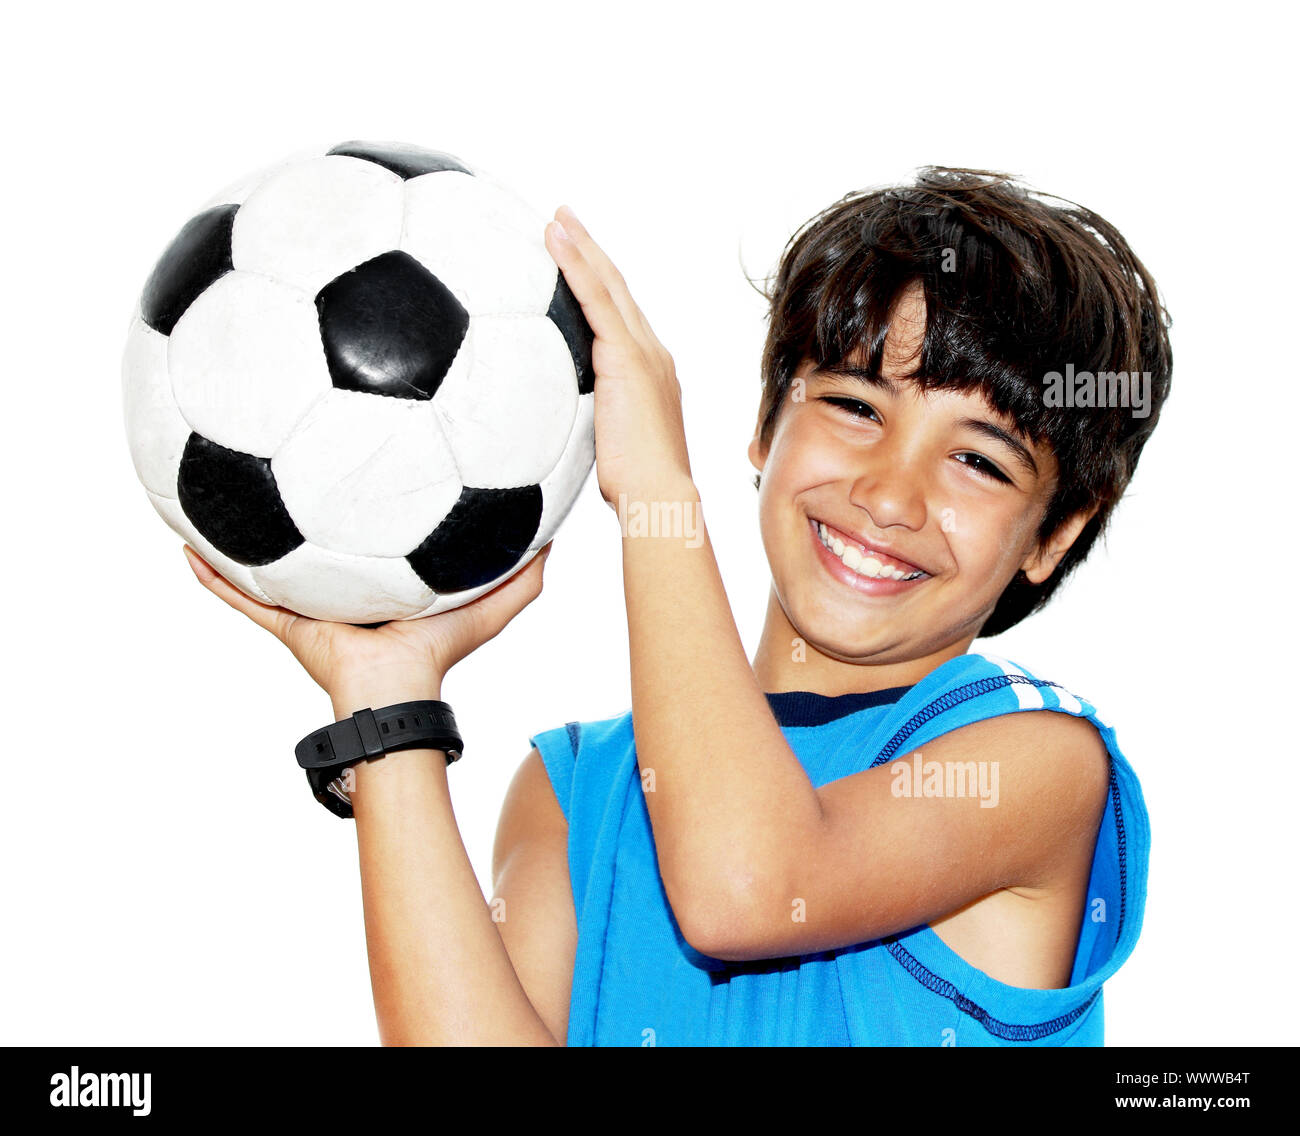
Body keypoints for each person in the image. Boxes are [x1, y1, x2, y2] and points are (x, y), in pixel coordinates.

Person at [184, 166, 1171, 1046]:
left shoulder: (1035, 762)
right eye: (856, 407)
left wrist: (654, 484)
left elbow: (747, 884)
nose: (889, 494)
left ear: (1055, 533)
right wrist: (383, 696)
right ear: (763, 422)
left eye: (977, 459)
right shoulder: (573, 790)